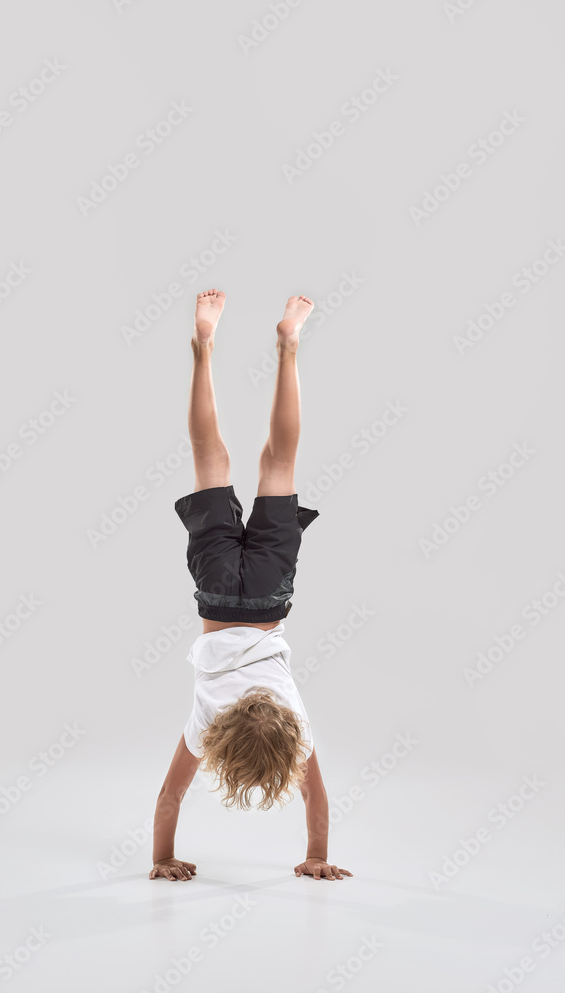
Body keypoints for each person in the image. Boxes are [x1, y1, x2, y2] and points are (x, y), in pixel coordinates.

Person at [148, 289, 353, 883]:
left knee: (279, 463)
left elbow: (316, 801)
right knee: (209, 456)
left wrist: (317, 852)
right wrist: (161, 856)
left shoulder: (295, 719)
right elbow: (169, 799)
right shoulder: (207, 720)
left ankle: (288, 348)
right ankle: (204, 348)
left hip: (266, 596)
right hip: (215, 594)